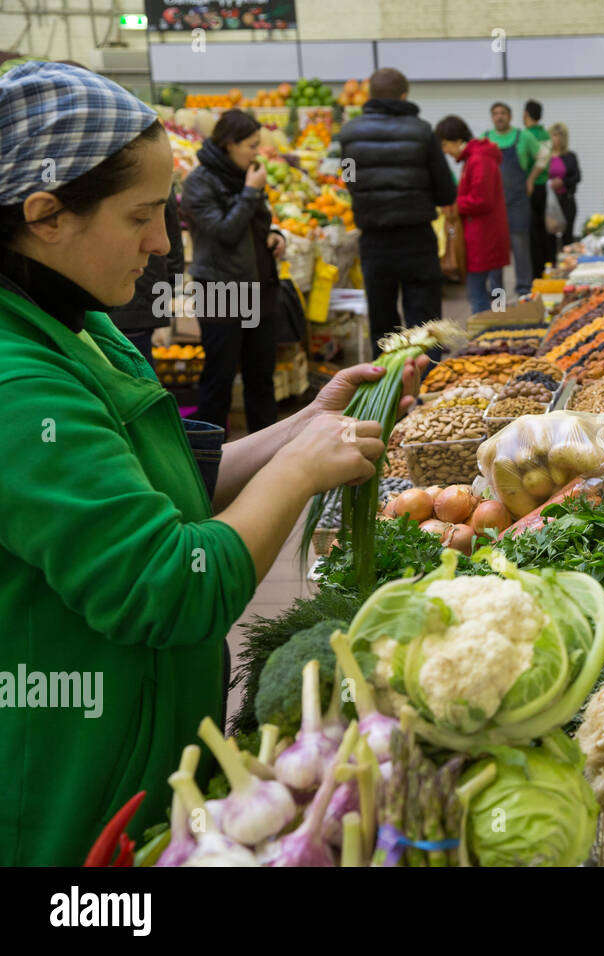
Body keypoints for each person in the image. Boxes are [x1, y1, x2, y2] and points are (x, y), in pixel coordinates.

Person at [0, 62, 425, 865]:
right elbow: (171, 584)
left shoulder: (76, 324)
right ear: (46, 215)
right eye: (142, 216)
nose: (165, 243)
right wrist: (295, 473)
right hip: (66, 802)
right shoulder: (17, 383)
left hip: (136, 773)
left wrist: (306, 423)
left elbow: (168, 482)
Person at [338, 67, 457, 353]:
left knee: (383, 326)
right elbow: (445, 192)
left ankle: (389, 392)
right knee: (425, 325)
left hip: (375, 241)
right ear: (404, 96)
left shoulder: (350, 134)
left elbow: (350, 181)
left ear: (369, 95)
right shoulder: (421, 131)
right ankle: (427, 392)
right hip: (416, 240)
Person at [181, 109, 284, 433]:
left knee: (261, 378)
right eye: (251, 145)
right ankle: (210, 462)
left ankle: (268, 457)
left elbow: (257, 222)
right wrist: (251, 191)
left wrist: (274, 236)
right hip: (220, 290)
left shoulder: (247, 172)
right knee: (219, 379)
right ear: (229, 144)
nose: (257, 153)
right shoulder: (199, 181)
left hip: (260, 287)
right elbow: (223, 231)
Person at [436, 115, 510, 316]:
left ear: (456, 140)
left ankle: (486, 336)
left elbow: (481, 199)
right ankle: (499, 325)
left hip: (483, 235)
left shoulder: (479, 159)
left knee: (477, 291)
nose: (444, 151)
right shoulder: (476, 158)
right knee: (495, 286)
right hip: (488, 233)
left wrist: (454, 204)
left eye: (444, 144)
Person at [107, 188, 183, 369]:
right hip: (140, 298)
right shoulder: (158, 176)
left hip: (127, 300)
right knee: (140, 376)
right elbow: (172, 245)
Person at [484, 102, 536, 296]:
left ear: (510, 116)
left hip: (518, 202)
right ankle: (498, 298)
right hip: (493, 205)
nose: (499, 117)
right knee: (495, 250)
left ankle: (524, 292)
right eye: (495, 113)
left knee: (520, 246)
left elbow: (543, 155)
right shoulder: (485, 139)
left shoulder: (523, 136)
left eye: (503, 113)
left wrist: (531, 179)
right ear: (491, 117)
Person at [522, 99, 553, 280]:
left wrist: (530, 180)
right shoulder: (545, 135)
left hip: (530, 187)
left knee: (532, 232)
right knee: (542, 229)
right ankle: (545, 268)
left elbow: (539, 160)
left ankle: (535, 274)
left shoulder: (526, 135)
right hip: (543, 187)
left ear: (525, 114)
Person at [547, 122, 582, 248]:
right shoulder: (544, 157)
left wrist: (563, 182)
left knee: (567, 235)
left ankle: (567, 261)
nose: (556, 139)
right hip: (549, 202)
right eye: (554, 135)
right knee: (549, 236)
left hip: (566, 199)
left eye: (559, 136)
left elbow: (577, 176)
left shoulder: (570, 156)